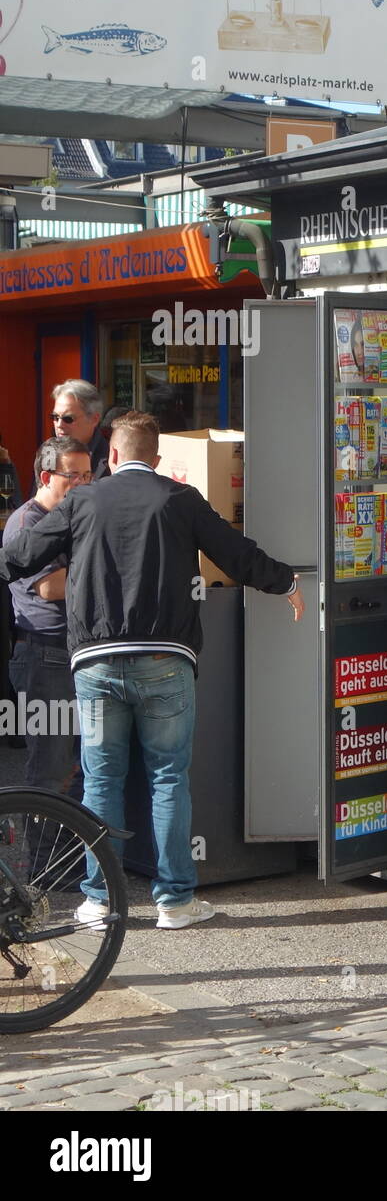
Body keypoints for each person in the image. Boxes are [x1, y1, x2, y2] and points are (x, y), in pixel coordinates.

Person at [0, 412, 304, 930]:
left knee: (100, 781)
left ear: (110, 457)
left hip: (94, 665)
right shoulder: (179, 499)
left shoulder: (81, 499)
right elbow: (237, 554)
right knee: (168, 778)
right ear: (158, 459)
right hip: (166, 661)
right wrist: (287, 583)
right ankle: (175, 901)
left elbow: (19, 556)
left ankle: (98, 900)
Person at [3, 436, 93, 794]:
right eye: (73, 476)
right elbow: (51, 587)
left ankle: (69, 849)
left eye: (88, 476)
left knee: (84, 768)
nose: (83, 484)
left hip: (74, 652)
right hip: (44, 657)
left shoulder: (73, 518)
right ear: (45, 477)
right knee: (49, 772)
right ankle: (40, 853)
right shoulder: (28, 522)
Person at [50, 380, 111, 482]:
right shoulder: (49, 454)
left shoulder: (110, 461)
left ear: (94, 419)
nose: (59, 425)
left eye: (68, 419)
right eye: (55, 417)